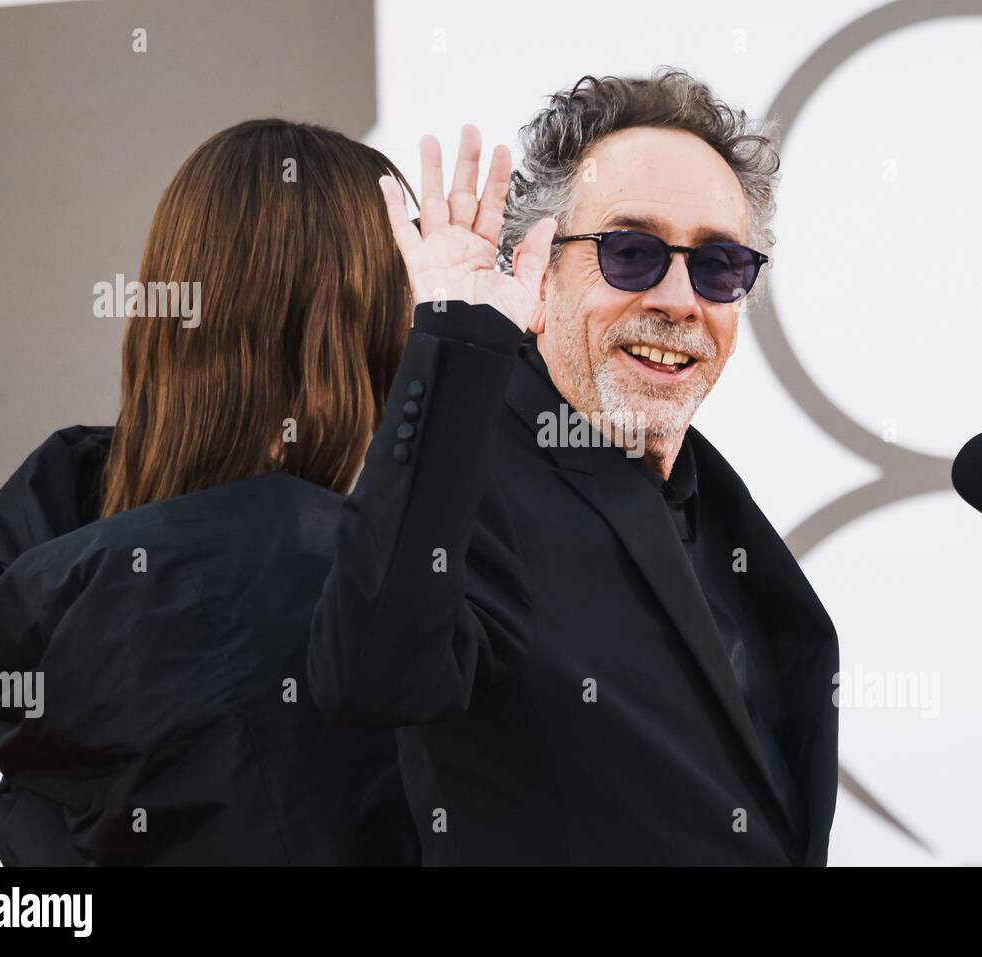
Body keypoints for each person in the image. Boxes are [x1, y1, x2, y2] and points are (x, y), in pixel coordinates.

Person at [309, 69, 840, 865]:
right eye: (631, 253)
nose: (678, 299)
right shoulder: (474, 484)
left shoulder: (716, 506)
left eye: (719, 264)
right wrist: (453, 344)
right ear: (543, 275)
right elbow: (370, 674)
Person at [0, 119, 419, 865]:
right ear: (340, 339)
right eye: (417, 282)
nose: (431, 318)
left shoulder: (71, 607)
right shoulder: (329, 619)